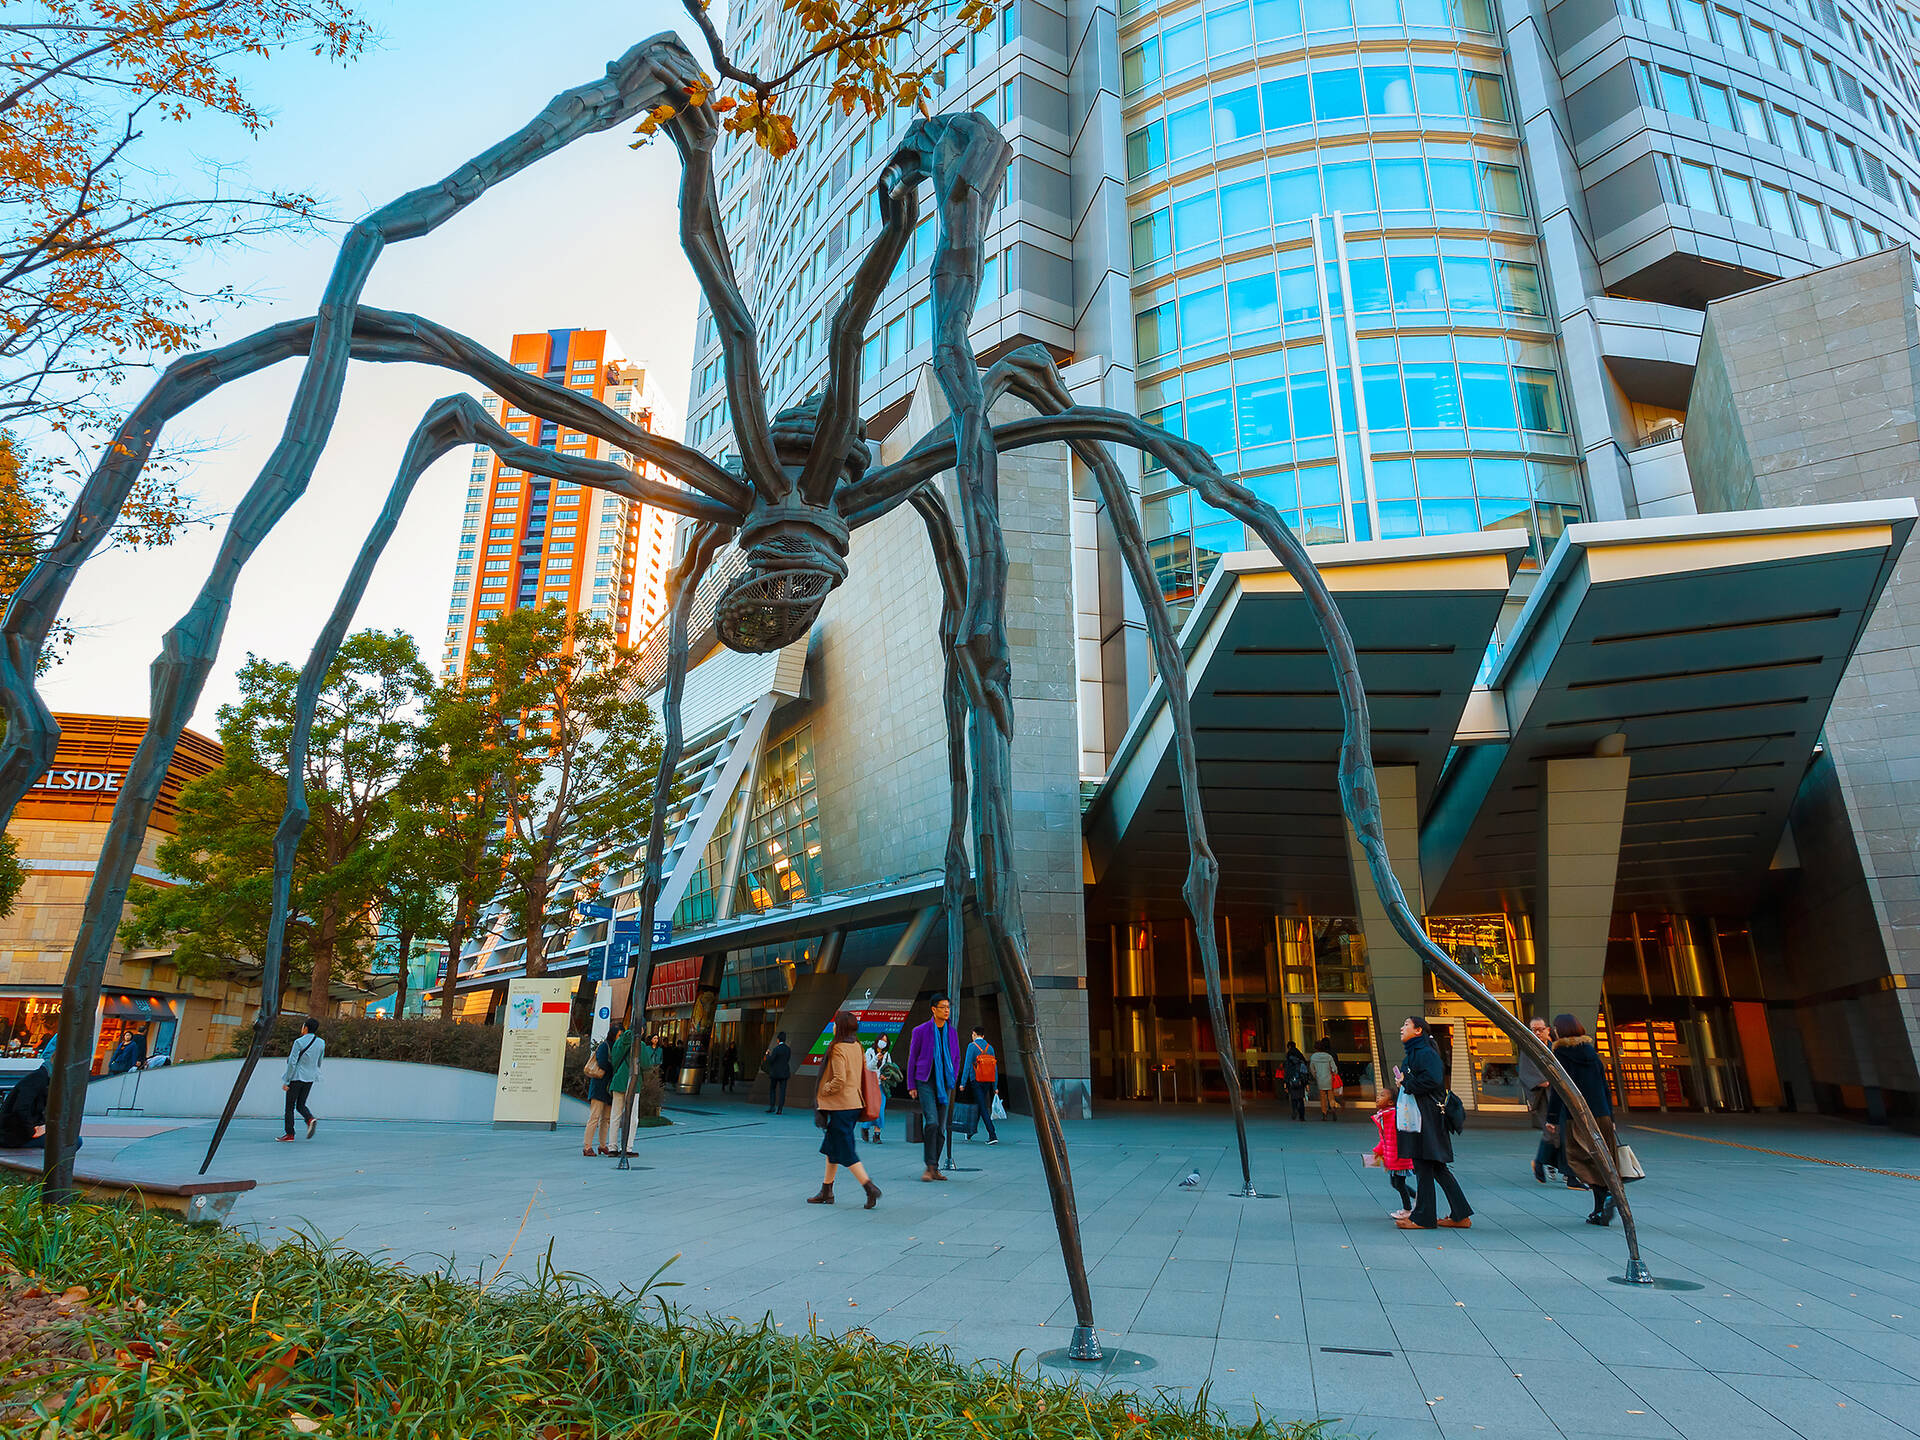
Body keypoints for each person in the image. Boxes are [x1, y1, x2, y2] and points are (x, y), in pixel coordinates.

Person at [1394, 1016, 1472, 1231]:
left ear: (1418, 1030)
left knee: (1424, 1164)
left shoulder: (1425, 1053)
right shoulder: (1417, 1052)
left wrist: (1406, 1083)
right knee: (1434, 1166)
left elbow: (1433, 1080)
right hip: (1423, 1115)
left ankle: (1424, 1217)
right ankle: (1460, 1214)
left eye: (1406, 1025)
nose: (1402, 1028)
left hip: (1426, 1116)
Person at [1543, 1013, 1620, 1226]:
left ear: (1560, 1030)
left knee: (1579, 1158)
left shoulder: (1561, 1054)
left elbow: (1561, 1090)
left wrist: (1551, 1117)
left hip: (1577, 1116)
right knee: (1602, 1160)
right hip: (1601, 1114)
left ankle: (1603, 1199)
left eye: (1554, 1028)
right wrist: (1610, 1117)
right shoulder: (1592, 1053)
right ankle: (1601, 1208)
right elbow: (1605, 1088)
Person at [809, 1012, 883, 1208]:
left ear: (840, 1027)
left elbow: (839, 1079)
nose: (833, 1027)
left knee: (845, 1150)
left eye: (835, 1024)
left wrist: (825, 1089)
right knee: (831, 1148)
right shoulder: (857, 1046)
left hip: (840, 1105)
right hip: (854, 1104)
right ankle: (827, 1190)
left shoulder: (838, 1048)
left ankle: (869, 1187)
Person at [906, 993, 961, 1181]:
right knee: (932, 1122)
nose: (947, 1010)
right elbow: (913, 1058)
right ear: (933, 1009)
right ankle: (929, 1167)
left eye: (948, 1007)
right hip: (925, 1081)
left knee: (941, 1128)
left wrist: (952, 1077)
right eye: (943, 1007)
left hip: (945, 1083)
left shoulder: (951, 1032)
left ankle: (934, 1167)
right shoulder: (920, 1031)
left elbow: (956, 1057)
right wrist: (911, 1084)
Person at [1518, 1016, 1561, 1183]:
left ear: (1548, 1030)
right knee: (1550, 1132)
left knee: (1559, 1132)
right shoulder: (1528, 1049)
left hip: (1557, 1096)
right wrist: (1546, 1081)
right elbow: (1527, 1074)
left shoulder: (1554, 1047)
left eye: (1540, 1029)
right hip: (1542, 1097)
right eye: (1533, 1030)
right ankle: (1541, 1162)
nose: (1537, 1032)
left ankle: (1551, 1163)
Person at [1369, 1082, 1415, 1219]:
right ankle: (1417, 1197)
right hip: (1393, 1157)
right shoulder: (1384, 1116)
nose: (1378, 1097)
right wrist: (1379, 1151)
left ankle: (1408, 1209)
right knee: (1395, 1183)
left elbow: (1394, 1138)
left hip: (1399, 1157)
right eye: (1378, 1095)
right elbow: (1385, 1138)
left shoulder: (1393, 1116)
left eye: (1382, 1096)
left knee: (1399, 1184)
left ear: (1390, 1102)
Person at [278, 1017, 324, 1143]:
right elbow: (319, 1061)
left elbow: (292, 1063)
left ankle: (290, 1134)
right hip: (310, 1077)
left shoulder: (298, 1042)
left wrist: (287, 1081)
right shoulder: (321, 1042)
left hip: (296, 1077)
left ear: (306, 1028)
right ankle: (309, 1119)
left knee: (289, 1107)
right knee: (301, 1104)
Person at [960, 1027, 999, 1143]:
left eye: (972, 1034)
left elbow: (967, 1065)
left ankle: (992, 1135)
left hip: (976, 1080)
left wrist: (962, 1082)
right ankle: (970, 1132)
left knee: (982, 1107)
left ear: (974, 1034)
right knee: (979, 1104)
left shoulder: (972, 1047)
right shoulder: (990, 1048)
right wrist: (995, 1086)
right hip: (988, 1080)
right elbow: (995, 1068)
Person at [583, 1023, 617, 1156]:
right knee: (595, 1117)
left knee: (606, 1119)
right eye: (619, 1034)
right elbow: (602, 1063)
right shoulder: (604, 1046)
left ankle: (602, 1145)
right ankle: (587, 1146)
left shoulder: (615, 1046)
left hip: (609, 1088)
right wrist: (614, 1067)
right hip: (599, 1087)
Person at [862, 1035, 895, 1143]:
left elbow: (889, 1068)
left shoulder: (887, 1055)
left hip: (881, 1084)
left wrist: (886, 1076)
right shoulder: (869, 1052)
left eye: (885, 1041)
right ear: (877, 1040)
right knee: (870, 1109)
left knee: (880, 1109)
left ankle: (877, 1134)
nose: (883, 1042)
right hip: (870, 1084)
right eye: (882, 1040)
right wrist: (876, 1058)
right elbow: (868, 1067)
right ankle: (865, 1128)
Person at [1309, 1037, 1339, 1121]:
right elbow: (1334, 1069)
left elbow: (1312, 1069)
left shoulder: (1313, 1057)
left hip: (1320, 1078)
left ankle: (1324, 1114)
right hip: (1328, 1078)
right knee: (1331, 1096)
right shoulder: (1328, 1056)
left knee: (1322, 1098)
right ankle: (1333, 1109)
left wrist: (1315, 1076)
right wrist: (1333, 1073)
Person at [764, 1031, 792, 1114]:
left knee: (772, 1089)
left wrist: (767, 1055)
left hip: (775, 1073)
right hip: (784, 1072)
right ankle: (780, 1109)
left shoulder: (776, 1049)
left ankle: (772, 1107)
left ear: (778, 1040)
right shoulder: (788, 1049)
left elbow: (771, 1060)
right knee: (782, 1091)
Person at [1283, 1043, 1310, 1121]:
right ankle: (1302, 1116)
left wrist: (1285, 1084)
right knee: (1300, 1099)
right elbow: (1305, 1074)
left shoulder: (1288, 1062)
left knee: (1293, 1098)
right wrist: (1306, 1084)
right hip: (1300, 1082)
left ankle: (1294, 1110)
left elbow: (1286, 1074)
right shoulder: (1301, 1062)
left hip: (1291, 1082)